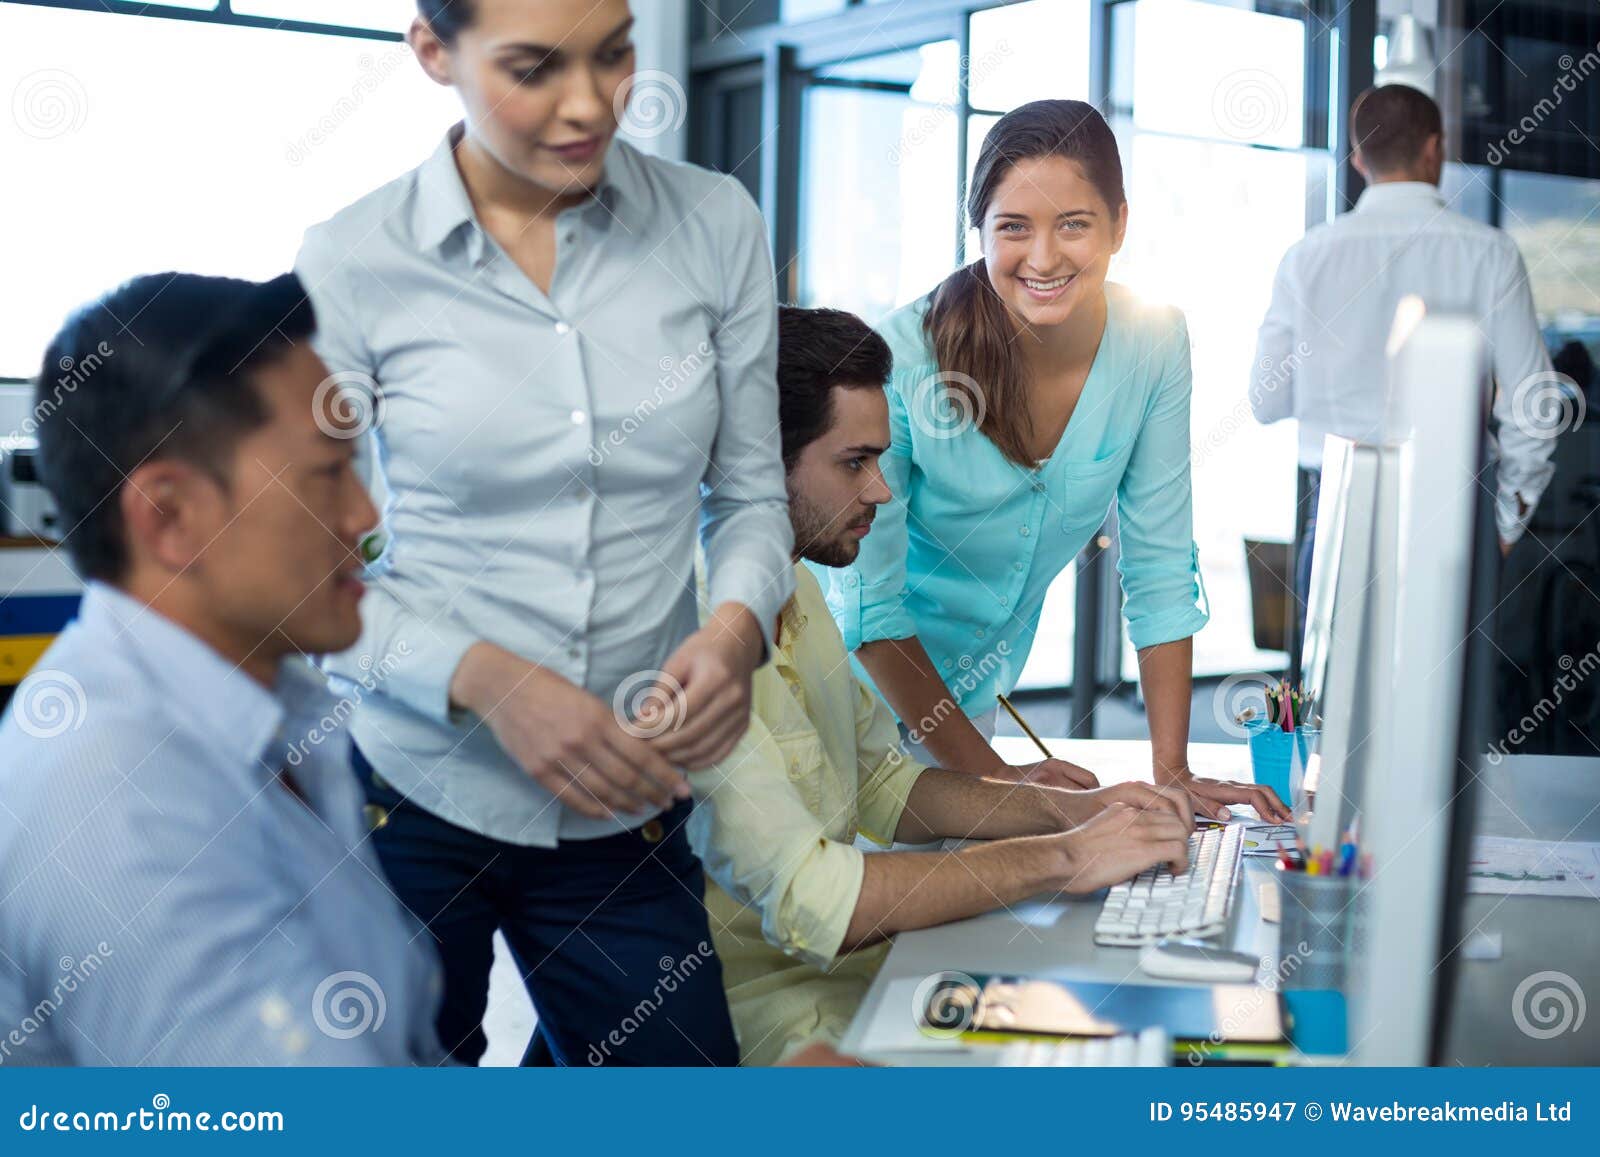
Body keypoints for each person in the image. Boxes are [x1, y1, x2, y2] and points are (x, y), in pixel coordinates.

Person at [293, 0, 792, 1066]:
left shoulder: (715, 223)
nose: (589, 103)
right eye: (533, 68)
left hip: (628, 801)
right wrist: (490, 680)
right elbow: (298, 568)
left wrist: (736, 631)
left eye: (614, 53)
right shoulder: (352, 259)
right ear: (434, 53)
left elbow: (751, 493)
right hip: (413, 794)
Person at [687, 306, 1197, 1064]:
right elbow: (815, 899)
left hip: (870, 972)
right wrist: (1067, 858)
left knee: (1141, 1031)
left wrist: (1069, 811)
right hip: (778, 1021)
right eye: (854, 463)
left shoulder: (792, 577)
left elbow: (885, 783)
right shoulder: (695, 633)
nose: (884, 493)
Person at [0, 273, 444, 1065]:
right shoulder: (117, 798)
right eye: (327, 473)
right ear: (169, 516)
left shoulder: (276, 715)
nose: (366, 516)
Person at [816, 99, 1291, 824]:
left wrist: (1174, 774)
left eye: (1074, 224)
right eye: (1014, 227)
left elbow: (1160, 565)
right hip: (844, 706)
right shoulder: (901, 359)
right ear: (978, 230)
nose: (1043, 258)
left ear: (1120, 224)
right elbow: (870, 611)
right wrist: (999, 784)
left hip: (970, 716)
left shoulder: (1153, 342)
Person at [1251, 83, 1559, 626]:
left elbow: (1266, 400)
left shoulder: (1307, 257)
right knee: (1440, 704)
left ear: (1358, 158)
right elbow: (1535, 405)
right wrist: (1509, 518)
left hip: (1336, 515)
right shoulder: (1488, 254)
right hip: (1451, 510)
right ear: (1434, 149)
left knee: (1328, 706)